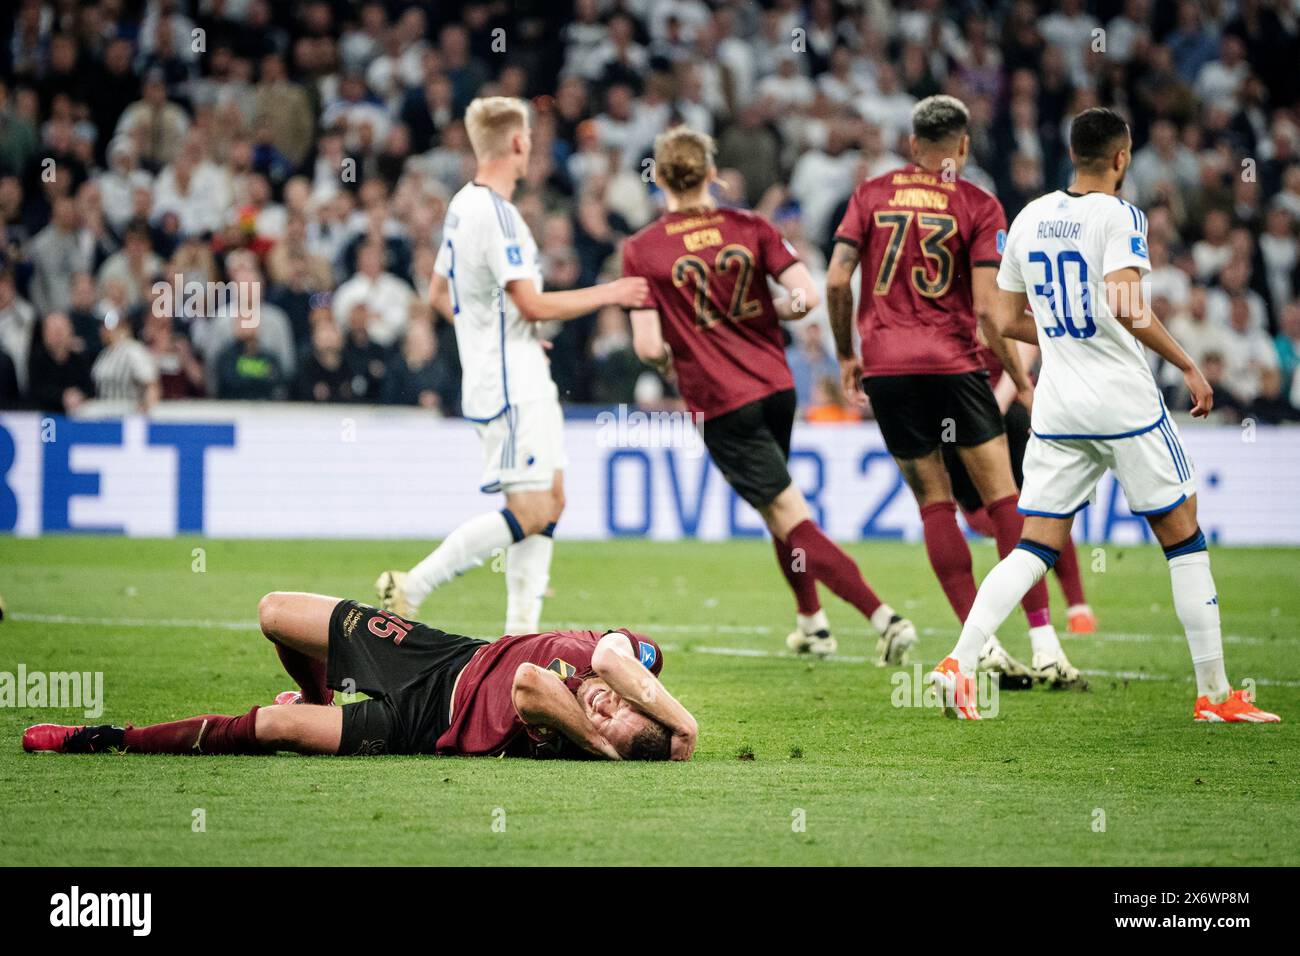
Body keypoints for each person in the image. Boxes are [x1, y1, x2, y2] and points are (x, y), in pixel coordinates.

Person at [927, 107, 1281, 724]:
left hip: (1059, 405)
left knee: (1035, 543)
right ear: (1122, 157)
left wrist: (1066, 335)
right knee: (1183, 535)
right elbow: (1125, 304)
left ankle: (958, 662)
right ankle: (1215, 694)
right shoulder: (1120, 215)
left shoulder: (1031, 215)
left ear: (1072, 153)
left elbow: (1001, 319)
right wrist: (1190, 366)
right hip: (1122, 403)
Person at [624, 127, 916, 662]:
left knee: (787, 513)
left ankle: (884, 617)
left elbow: (646, 346)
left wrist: (672, 352)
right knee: (778, 508)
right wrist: (762, 309)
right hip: (776, 387)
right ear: (713, 174)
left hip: (721, 400)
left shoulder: (642, 250)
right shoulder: (752, 226)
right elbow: (806, 296)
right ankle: (811, 624)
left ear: (660, 178)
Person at [826, 94, 1075, 684]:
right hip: (956, 364)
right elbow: (990, 313)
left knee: (934, 502)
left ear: (913, 145)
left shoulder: (869, 195)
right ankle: (1045, 644)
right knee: (1004, 498)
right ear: (962, 146)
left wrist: (845, 354)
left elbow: (837, 279)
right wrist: (1020, 379)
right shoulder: (978, 205)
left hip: (887, 365)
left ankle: (978, 648)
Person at [375, 97, 647, 635]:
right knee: (529, 511)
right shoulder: (498, 217)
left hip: (517, 371)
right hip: (508, 383)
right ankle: (412, 585)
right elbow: (532, 304)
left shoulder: (463, 203)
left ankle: (520, 637)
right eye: (531, 137)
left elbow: (438, 293)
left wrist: (495, 336)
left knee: (553, 500)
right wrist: (611, 291)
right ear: (518, 142)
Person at [23, 591, 696, 761]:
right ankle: (316, 690)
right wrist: (683, 726)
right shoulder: (637, 658)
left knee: (275, 727)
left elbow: (528, 682)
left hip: (416, 724)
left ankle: (104, 738)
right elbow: (612, 661)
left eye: (610, 722)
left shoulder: (566, 724)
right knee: (274, 614)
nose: (607, 704)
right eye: (630, 705)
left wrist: (598, 740)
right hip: (438, 654)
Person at [942, 340, 1097, 633]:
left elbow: (1025, 344)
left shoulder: (989, 295)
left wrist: (994, 406)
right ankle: (1074, 610)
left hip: (1002, 410)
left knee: (1034, 512)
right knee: (1030, 513)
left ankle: (1070, 611)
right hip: (973, 410)